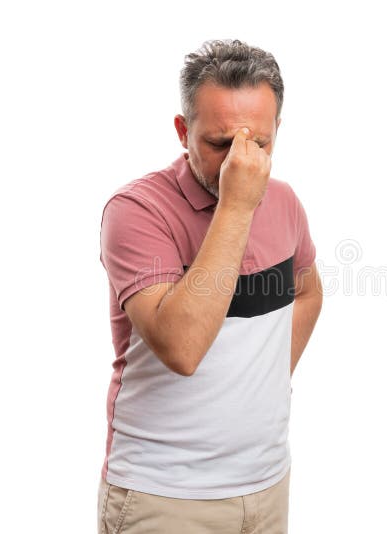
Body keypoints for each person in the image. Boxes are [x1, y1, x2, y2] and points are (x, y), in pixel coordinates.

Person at [96, 39, 323, 534]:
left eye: (259, 143)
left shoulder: (285, 202)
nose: (239, 161)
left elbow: (308, 292)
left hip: (267, 484)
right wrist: (237, 206)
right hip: (165, 497)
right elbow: (182, 347)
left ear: (278, 129)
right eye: (220, 143)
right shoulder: (136, 212)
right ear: (183, 131)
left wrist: (261, 383)